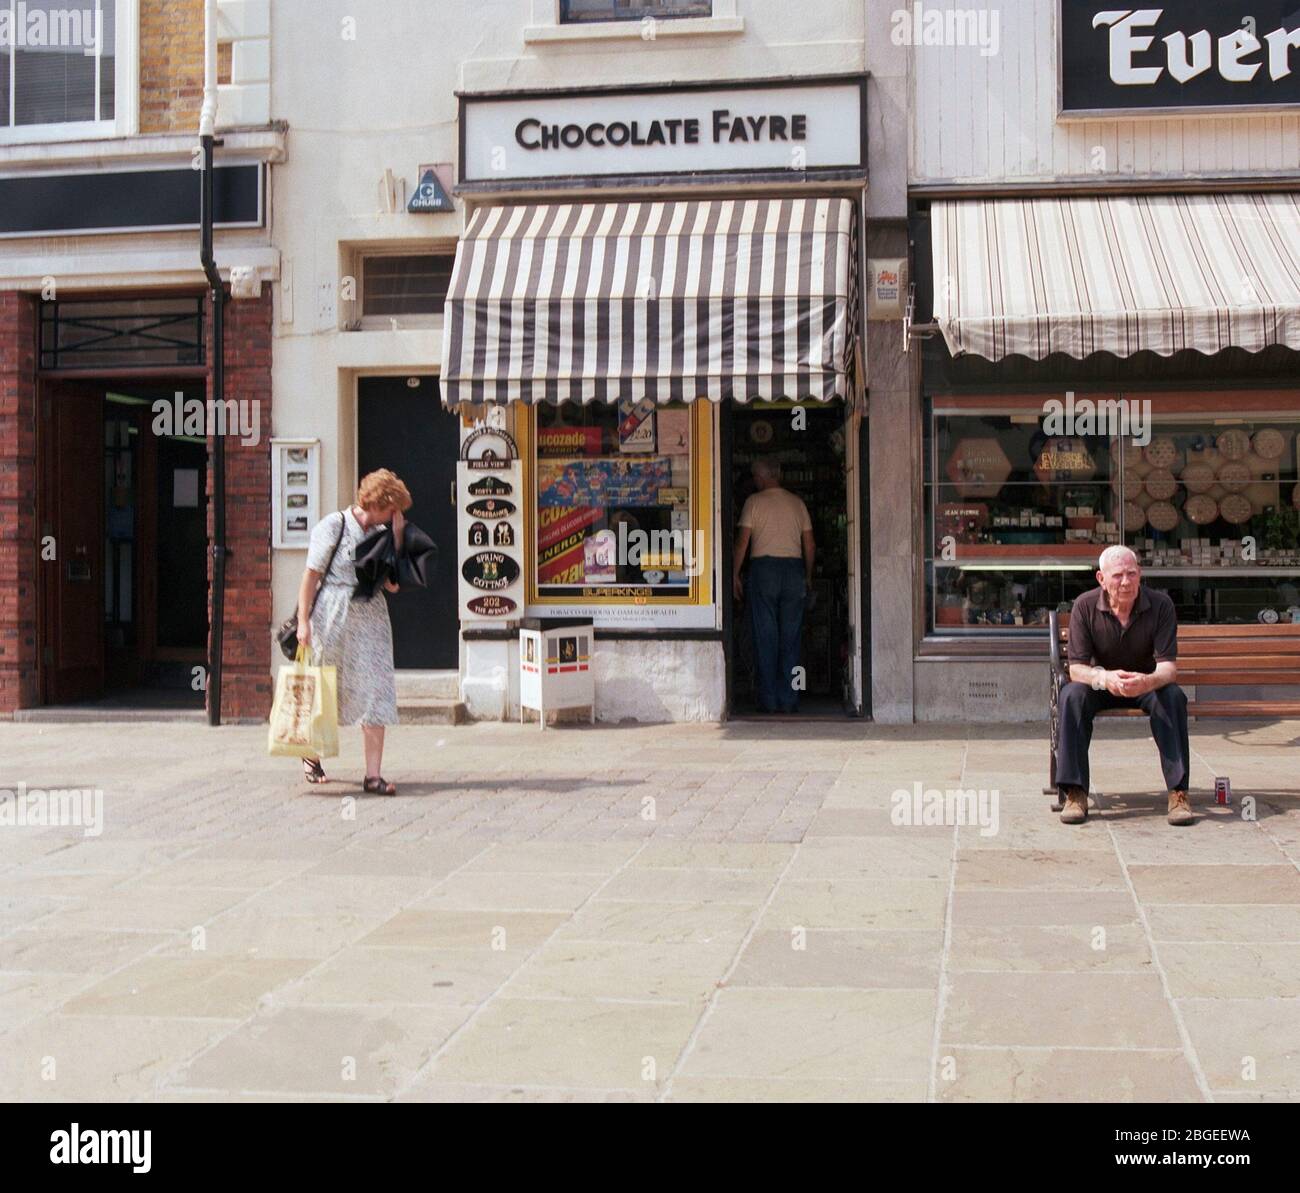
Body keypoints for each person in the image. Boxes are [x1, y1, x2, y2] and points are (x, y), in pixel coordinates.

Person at [1058, 544, 1192, 826]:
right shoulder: (1085, 605)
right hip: (1102, 684)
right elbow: (1076, 668)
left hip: (1146, 684)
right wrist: (1104, 678)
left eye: (1132, 573)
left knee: (1173, 697)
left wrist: (1147, 682)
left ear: (1140, 574)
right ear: (1101, 579)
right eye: (1118, 575)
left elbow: (1168, 669)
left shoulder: (1161, 605)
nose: (1126, 581)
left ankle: (1178, 792)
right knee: (1072, 695)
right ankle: (1075, 792)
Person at [296, 469, 411, 795]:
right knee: (324, 690)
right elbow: (310, 576)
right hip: (332, 616)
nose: (395, 516)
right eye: (394, 510)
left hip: (371, 618)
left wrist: (397, 539)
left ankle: (373, 776)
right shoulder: (334, 525)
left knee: (376, 691)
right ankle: (311, 756)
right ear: (382, 503)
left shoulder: (382, 533)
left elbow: (392, 584)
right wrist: (304, 622)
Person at [733, 458, 815, 714]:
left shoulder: (753, 502)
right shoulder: (797, 503)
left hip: (764, 570)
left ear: (761, 476)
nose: (755, 481)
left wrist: (735, 573)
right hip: (793, 570)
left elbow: (742, 542)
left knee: (765, 637)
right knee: (791, 639)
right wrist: (808, 575)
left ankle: (768, 700)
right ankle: (789, 700)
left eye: (755, 477)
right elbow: (810, 545)